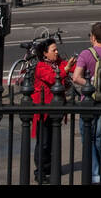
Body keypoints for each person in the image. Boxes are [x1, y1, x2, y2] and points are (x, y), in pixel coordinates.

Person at [70, 22, 101, 183]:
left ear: (94, 37)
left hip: (90, 101)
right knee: (100, 138)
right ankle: (98, 172)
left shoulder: (87, 53)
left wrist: (90, 84)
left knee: (88, 138)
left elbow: (76, 77)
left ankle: (94, 173)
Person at [30, 38, 72, 182]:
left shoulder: (58, 62)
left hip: (56, 108)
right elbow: (54, 78)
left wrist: (77, 63)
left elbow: (71, 67)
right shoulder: (41, 66)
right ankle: (40, 171)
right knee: (43, 141)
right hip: (44, 108)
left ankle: (50, 167)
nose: (56, 52)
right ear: (45, 54)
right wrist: (66, 69)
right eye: (53, 50)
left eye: (56, 49)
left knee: (54, 140)